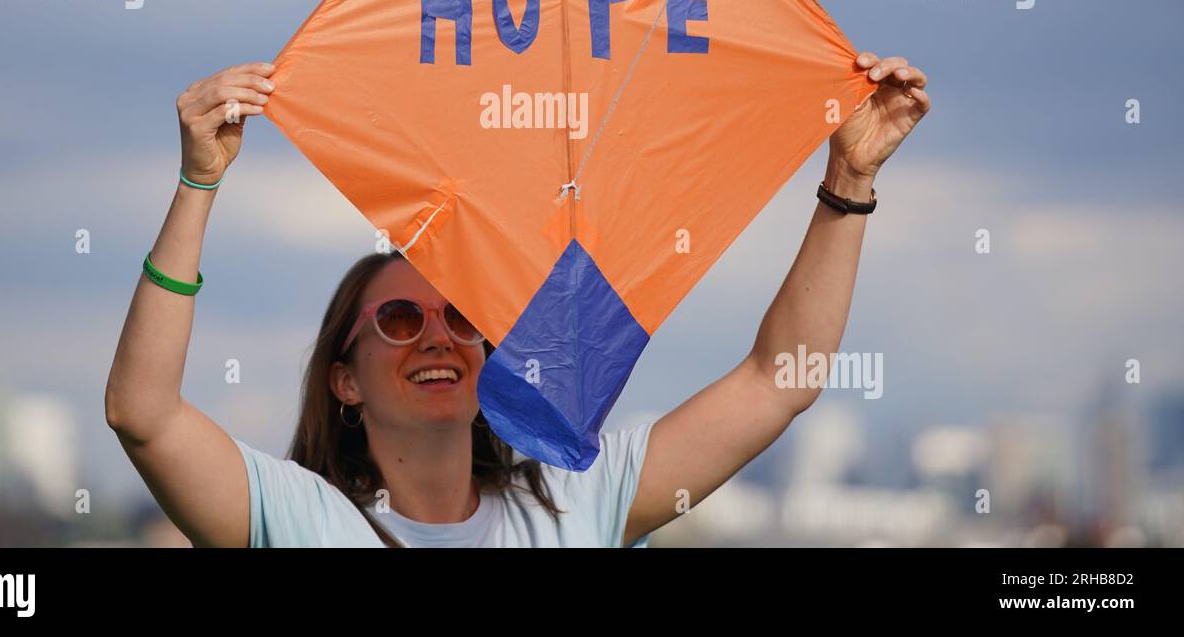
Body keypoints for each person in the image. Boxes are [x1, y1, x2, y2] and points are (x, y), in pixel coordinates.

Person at [105, 52, 929, 547]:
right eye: (399, 320)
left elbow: (779, 382)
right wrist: (198, 180)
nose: (437, 337)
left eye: (462, 316)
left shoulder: (581, 498)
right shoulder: (290, 515)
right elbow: (142, 412)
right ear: (343, 379)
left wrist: (848, 180)